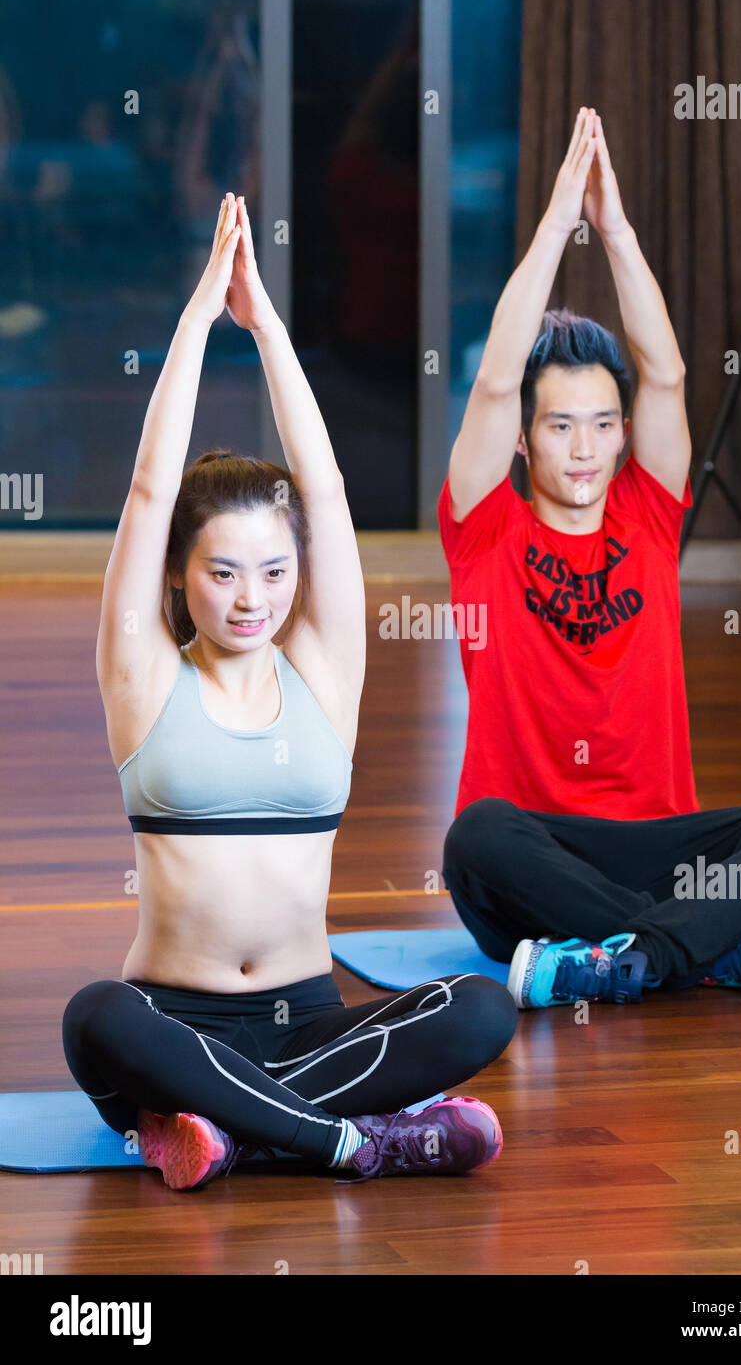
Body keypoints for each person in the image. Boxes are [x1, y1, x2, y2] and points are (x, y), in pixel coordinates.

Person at [62, 192, 517, 1190]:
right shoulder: (143, 675)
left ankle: (232, 1130)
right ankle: (344, 1140)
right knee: (93, 1017)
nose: (250, 597)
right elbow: (148, 492)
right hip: (167, 1025)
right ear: (179, 575)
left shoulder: (322, 673)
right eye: (222, 571)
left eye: (273, 572)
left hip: (306, 1017)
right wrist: (193, 323)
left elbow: (327, 495)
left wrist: (267, 326)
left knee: (483, 1009)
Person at [439, 108, 741, 1009]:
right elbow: (492, 380)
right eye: (559, 426)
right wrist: (558, 224)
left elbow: (665, 373)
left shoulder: (649, 514)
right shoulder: (485, 530)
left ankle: (632, 954)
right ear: (522, 441)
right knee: (474, 838)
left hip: (666, 848)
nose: (584, 450)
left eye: (601, 426)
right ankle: (697, 952)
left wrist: (617, 230)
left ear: (624, 433)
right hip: (535, 865)